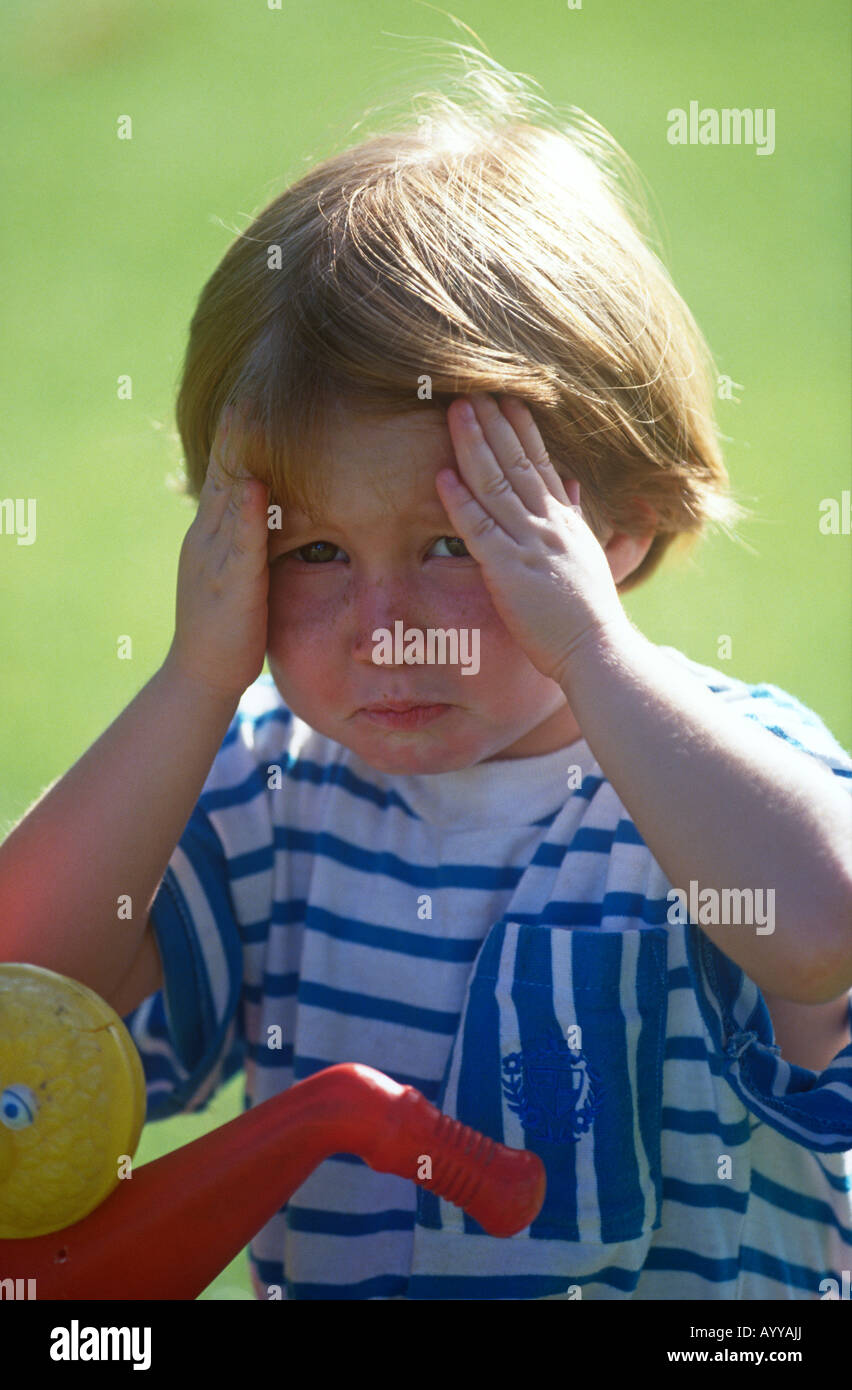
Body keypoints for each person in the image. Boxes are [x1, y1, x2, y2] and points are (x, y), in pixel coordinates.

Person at [2, 53, 850, 1301]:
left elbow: (825, 934)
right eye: (315, 553)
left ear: (630, 516)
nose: (385, 627)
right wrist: (191, 679)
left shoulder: (713, 776)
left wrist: (596, 657)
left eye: (457, 543)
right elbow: (30, 981)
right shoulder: (263, 790)